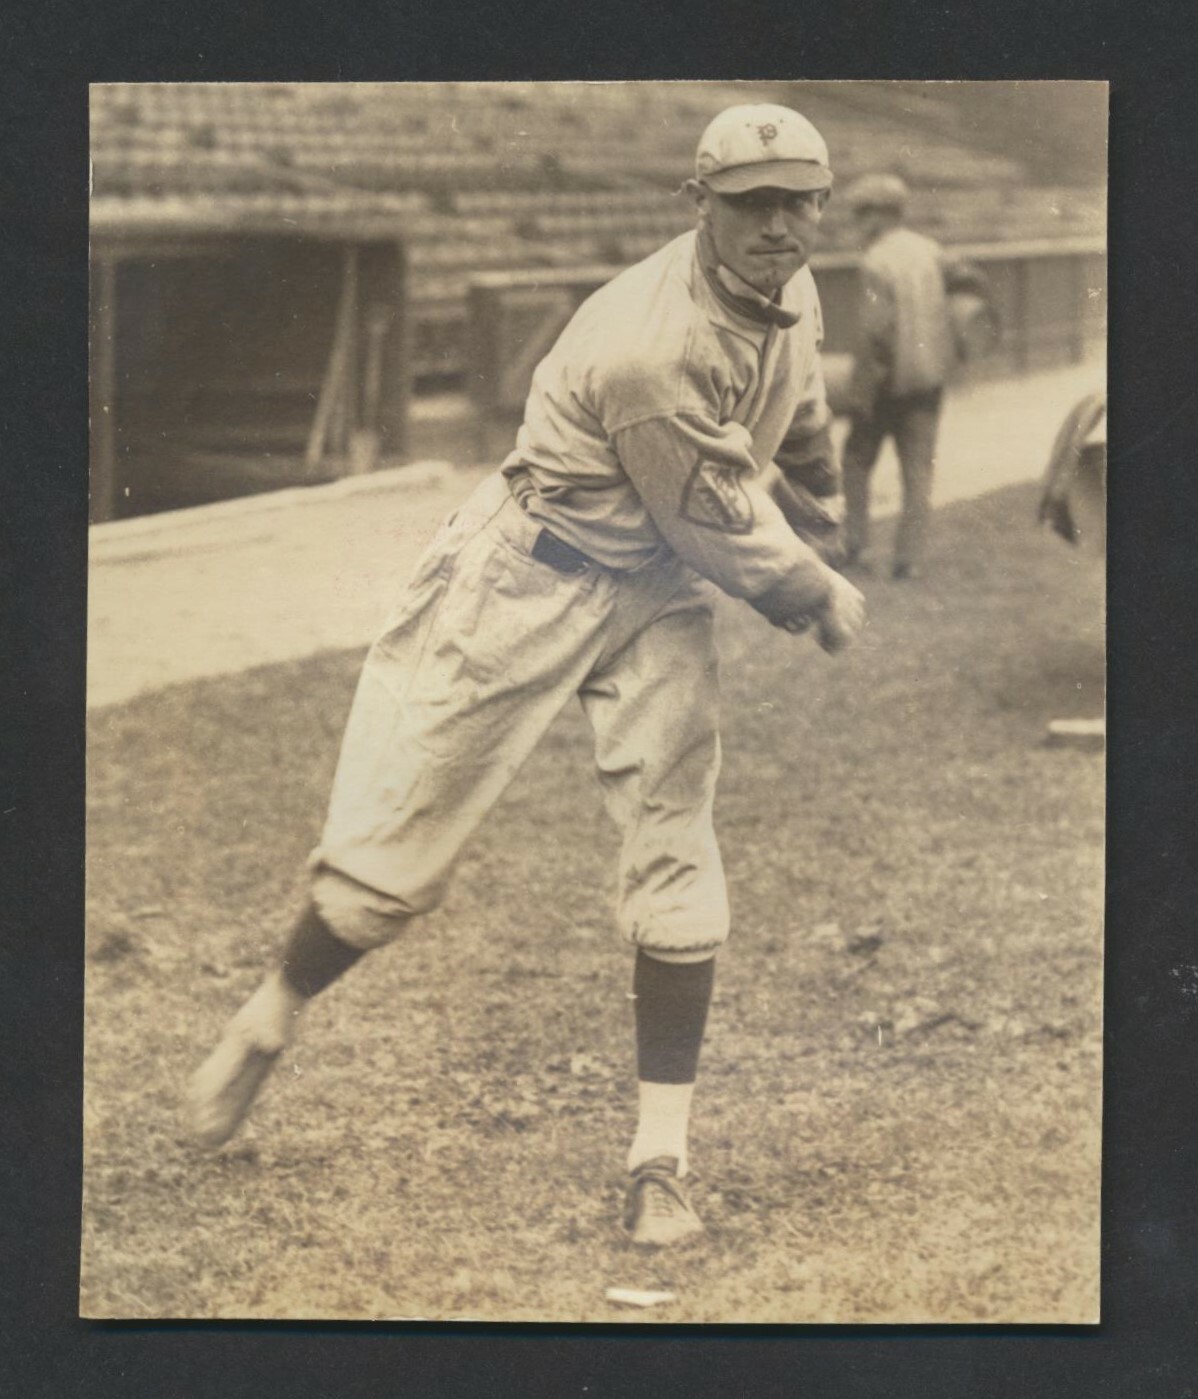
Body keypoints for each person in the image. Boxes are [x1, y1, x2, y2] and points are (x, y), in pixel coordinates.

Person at [188, 103, 866, 1249]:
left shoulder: (791, 286)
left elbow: (796, 406)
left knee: (676, 845)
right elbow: (711, 525)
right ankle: (271, 1011)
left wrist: (826, 492)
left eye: (800, 200)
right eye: (754, 203)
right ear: (697, 205)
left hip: (650, 589)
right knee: (396, 859)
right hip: (528, 574)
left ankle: (661, 1156)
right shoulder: (642, 343)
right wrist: (813, 586)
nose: (780, 226)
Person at [839, 173, 990, 579]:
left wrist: (861, 394)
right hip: (929, 381)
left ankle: (858, 550)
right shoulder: (931, 250)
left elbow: (876, 335)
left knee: (855, 463)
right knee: (918, 471)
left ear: (879, 215)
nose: (856, 223)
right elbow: (975, 281)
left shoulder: (875, 261)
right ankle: (910, 561)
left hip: (887, 383)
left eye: (861, 214)